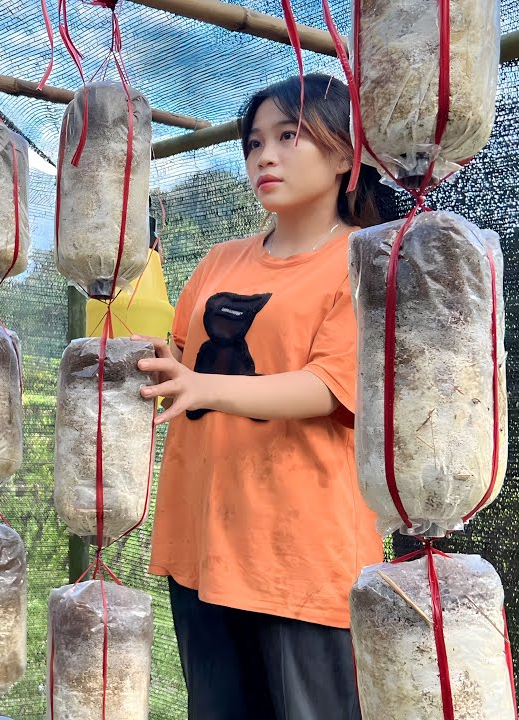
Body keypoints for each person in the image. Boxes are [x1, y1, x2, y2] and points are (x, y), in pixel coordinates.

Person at [136, 74, 397, 719]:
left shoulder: (366, 263)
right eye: (254, 143)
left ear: (345, 155)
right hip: (203, 545)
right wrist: (152, 368)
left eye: (289, 136)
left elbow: (329, 387)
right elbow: (183, 362)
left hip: (300, 556)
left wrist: (203, 385)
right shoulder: (217, 262)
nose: (265, 157)